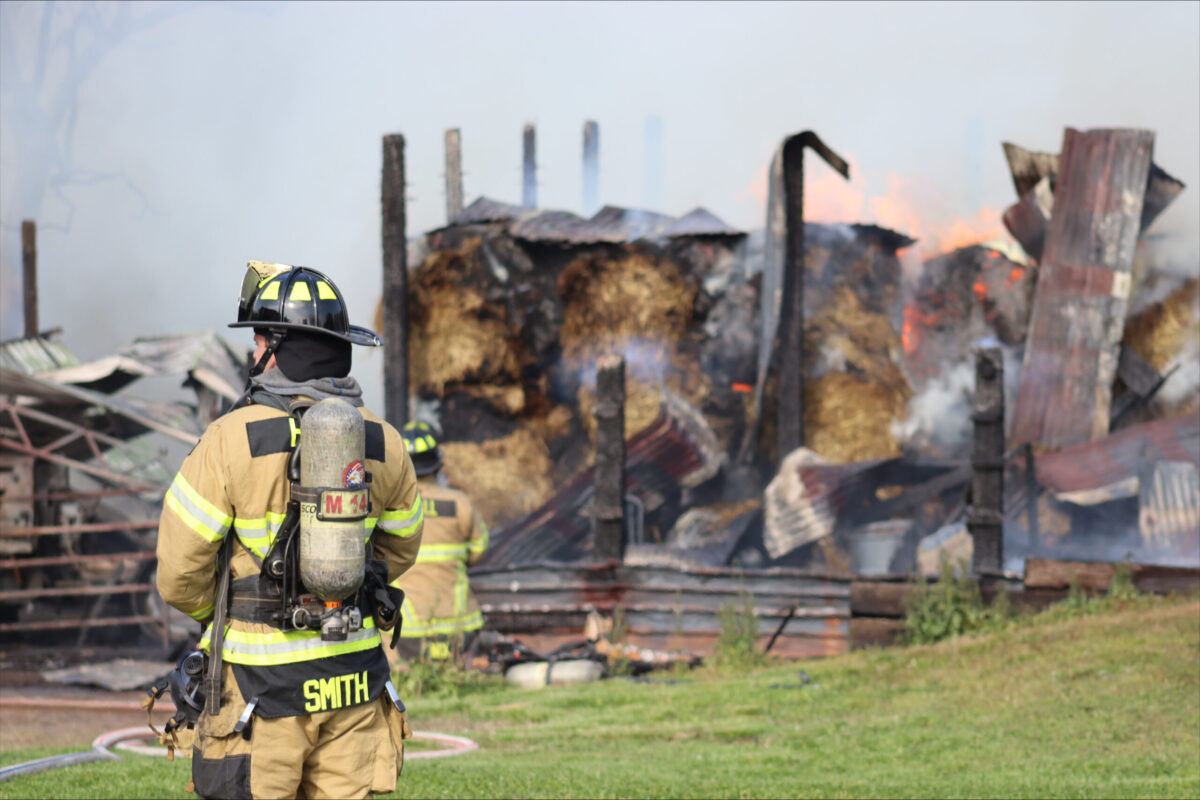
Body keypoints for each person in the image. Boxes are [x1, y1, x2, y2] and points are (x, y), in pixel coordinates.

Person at [156, 262, 424, 799]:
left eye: (258, 339)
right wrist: (339, 584)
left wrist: (236, 610)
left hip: (259, 697)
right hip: (353, 682)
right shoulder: (386, 441)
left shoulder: (229, 440)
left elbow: (179, 573)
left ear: (274, 347)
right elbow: (401, 544)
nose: (255, 352)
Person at [387, 420, 489, 669]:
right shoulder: (459, 503)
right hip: (459, 628)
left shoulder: (390, 505)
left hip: (406, 631)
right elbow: (479, 550)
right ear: (438, 463)